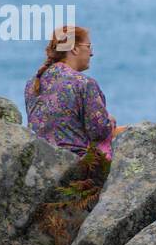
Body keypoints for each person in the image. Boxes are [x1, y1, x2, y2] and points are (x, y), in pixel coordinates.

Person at [25, 25, 120, 160]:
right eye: (88, 46)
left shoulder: (33, 83)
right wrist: (110, 121)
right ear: (74, 49)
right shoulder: (84, 83)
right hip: (74, 163)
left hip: (40, 161)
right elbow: (99, 132)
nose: (91, 53)